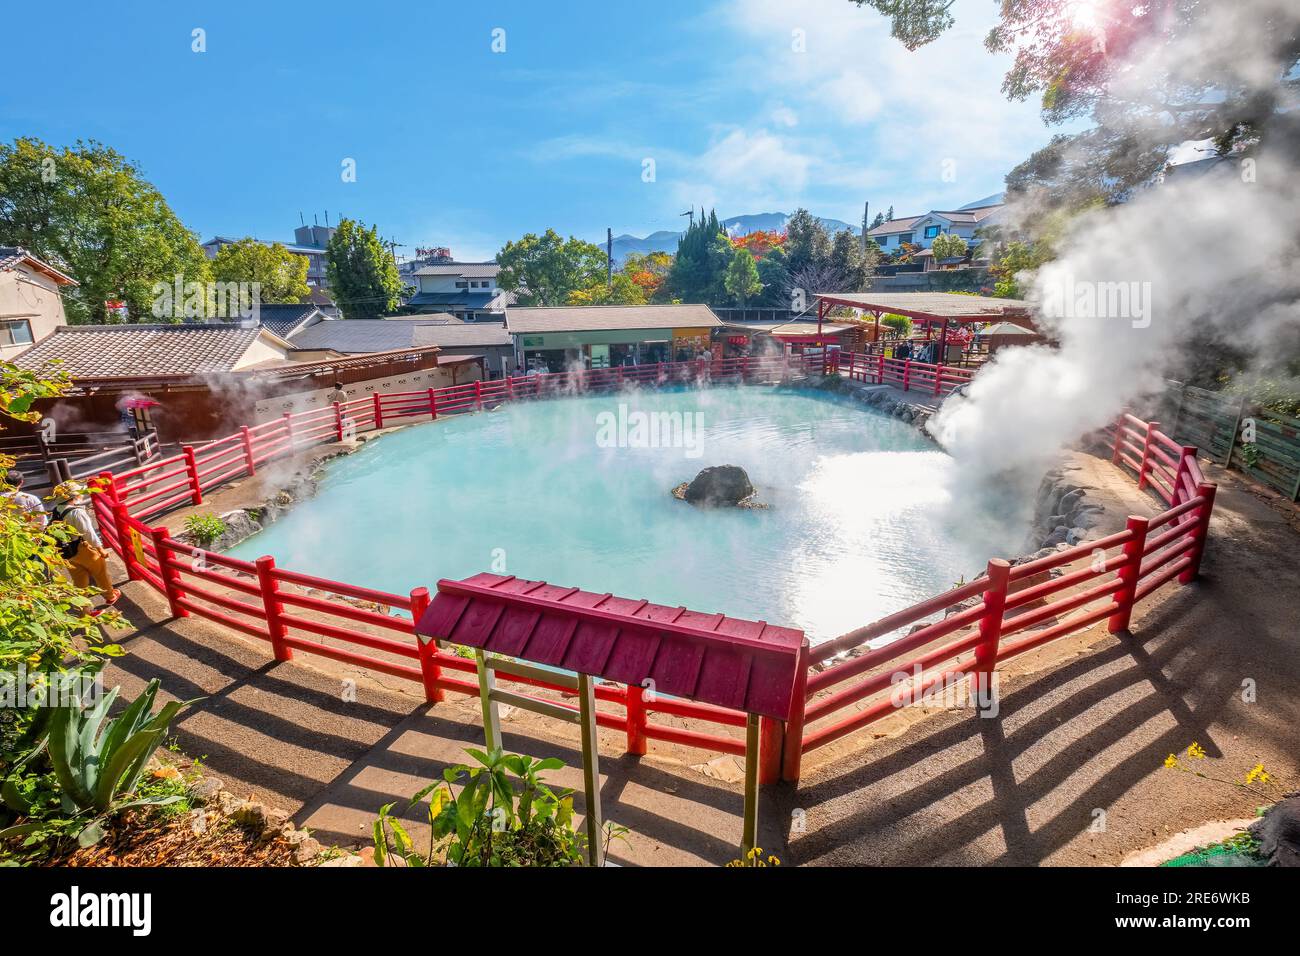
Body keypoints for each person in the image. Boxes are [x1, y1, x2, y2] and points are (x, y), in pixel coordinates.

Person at [47, 481, 120, 607]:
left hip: (67, 552)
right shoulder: (76, 512)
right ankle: (110, 596)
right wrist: (100, 549)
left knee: (79, 581)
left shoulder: (56, 510)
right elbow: (88, 533)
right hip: (83, 548)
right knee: (100, 573)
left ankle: (84, 611)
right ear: (74, 496)